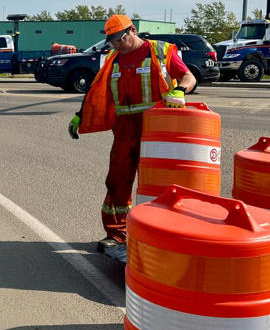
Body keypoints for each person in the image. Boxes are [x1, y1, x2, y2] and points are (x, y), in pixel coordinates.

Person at [67, 14, 196, 253]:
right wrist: (81, 115)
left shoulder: (160, 50)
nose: (116, 45)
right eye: (112, 42)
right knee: (116, 181)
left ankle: (166, 234)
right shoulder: (113, 60)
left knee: (161, 185)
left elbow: (189, 77)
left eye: (119, 39)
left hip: (157, 130)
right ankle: (117, 234)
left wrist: (179, 91)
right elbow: (98, 91)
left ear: (133, 31)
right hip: (125, 131)